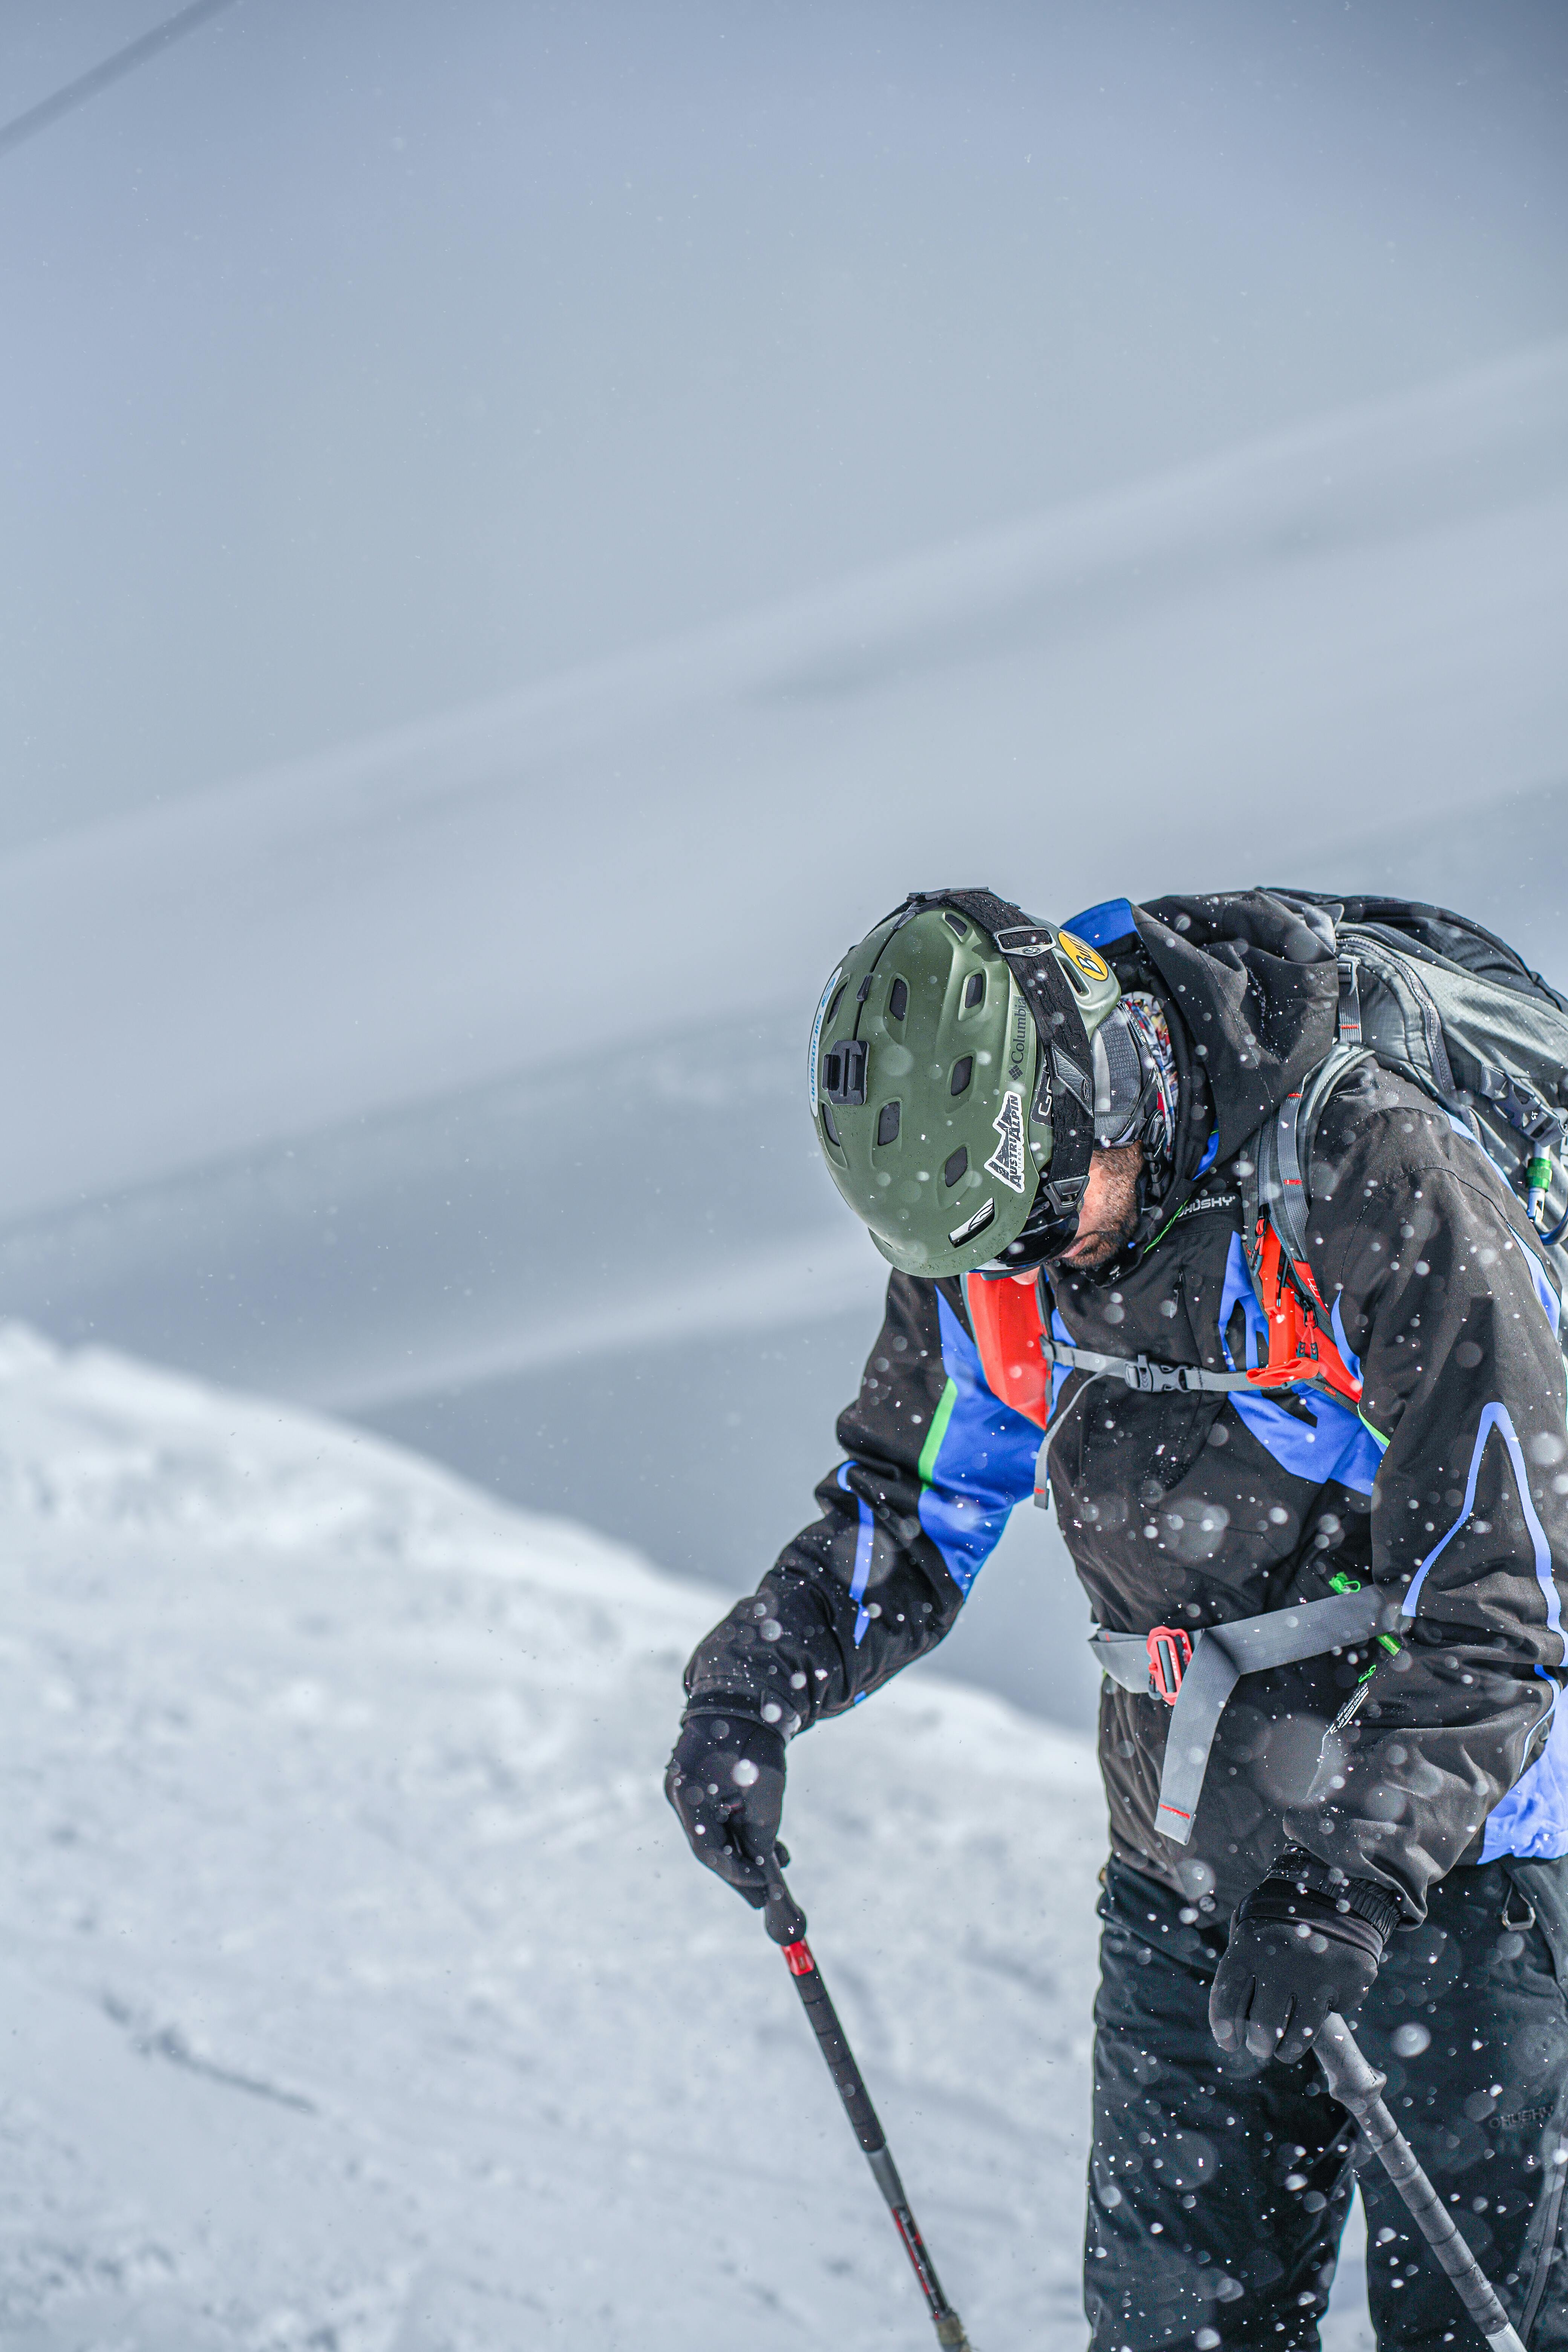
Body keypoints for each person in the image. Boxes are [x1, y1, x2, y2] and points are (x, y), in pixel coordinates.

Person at [665, 887, 1568, 2351]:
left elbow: (1506, 1579)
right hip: (1186, 1862)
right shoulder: (993, 1228)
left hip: (1462, 1872)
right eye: (981, 1256)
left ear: (1104, 1093)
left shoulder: (1363, 1169)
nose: (1023, 1281)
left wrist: (1352, 1875)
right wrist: (751, 1688)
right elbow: (911, 1503)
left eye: (1036, 1229)